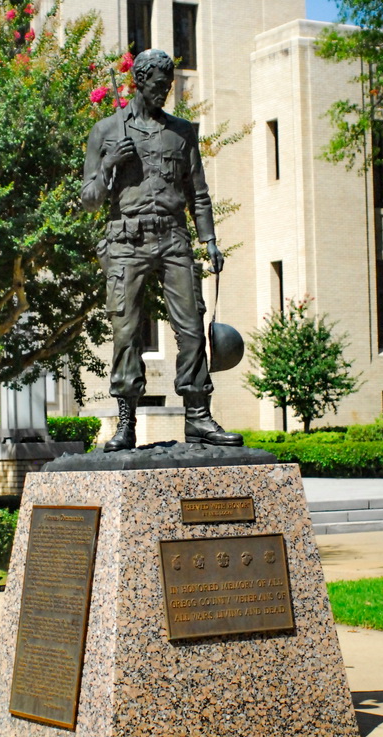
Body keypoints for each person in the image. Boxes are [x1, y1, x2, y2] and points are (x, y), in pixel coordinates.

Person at [81, 49, 243, 452]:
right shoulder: (106, 131)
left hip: (174, 238)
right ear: (138, 82)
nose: (164, 93)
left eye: (168, 86)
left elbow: (198, 194)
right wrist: (108, 166)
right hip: (125, 241)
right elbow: (88, 199)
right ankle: (125, 422)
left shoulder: (183, 132)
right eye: (157, 86)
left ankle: (198, 417)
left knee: (191, 327)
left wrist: (209, 240)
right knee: (126, 332)